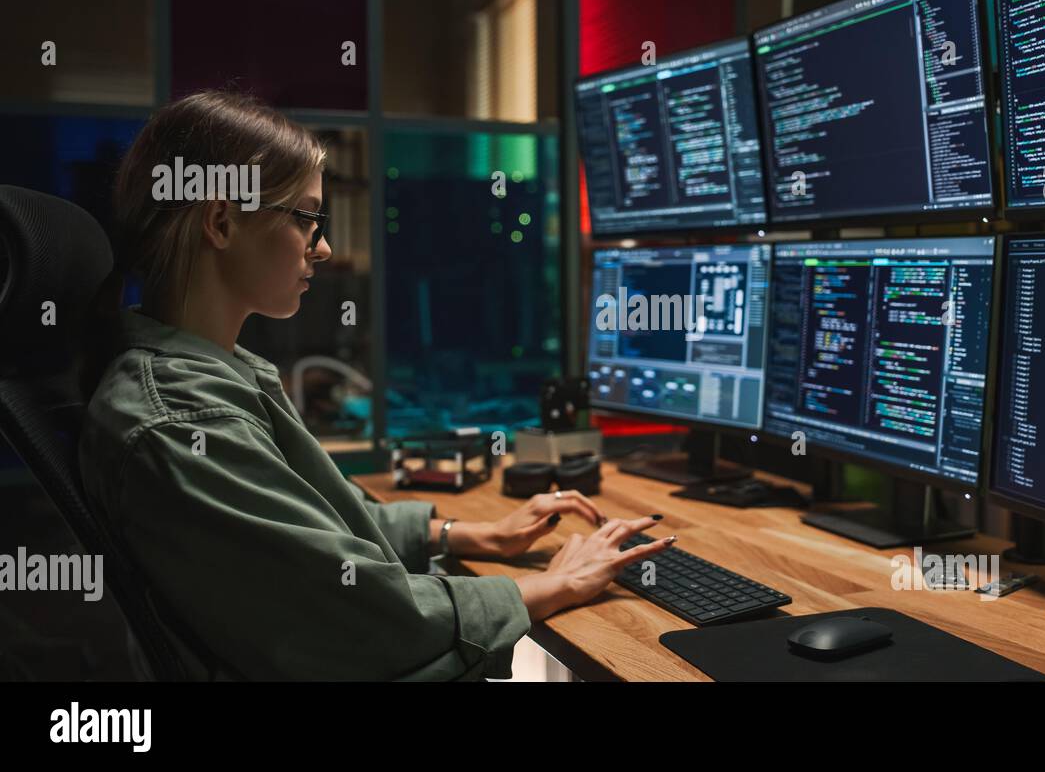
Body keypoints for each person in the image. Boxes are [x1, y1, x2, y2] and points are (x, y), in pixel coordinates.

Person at [77, 90, 675, 680]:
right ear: (223, 220)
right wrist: (549, 586)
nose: (325, 247)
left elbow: (322, 529)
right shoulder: (185, 420)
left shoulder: (210, 379)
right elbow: (359, 615)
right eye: (307, 218)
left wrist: (470, 533)